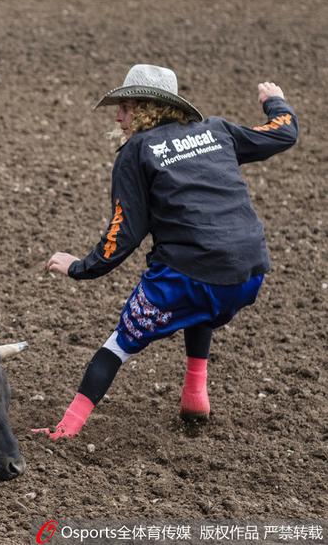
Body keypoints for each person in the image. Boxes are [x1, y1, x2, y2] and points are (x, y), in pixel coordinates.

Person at [34, 64, 298, 440]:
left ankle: (66, 428)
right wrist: (275, 101)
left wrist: (80, 267)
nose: (118, 115)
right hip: (249, 271)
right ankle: (195, 396)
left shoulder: (136, 152)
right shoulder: (217, 130)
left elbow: (123, 234)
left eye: (124, 106)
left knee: (118, 346)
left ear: (145, 108)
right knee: (201, 307)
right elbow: (284, 132)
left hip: (186, 276)